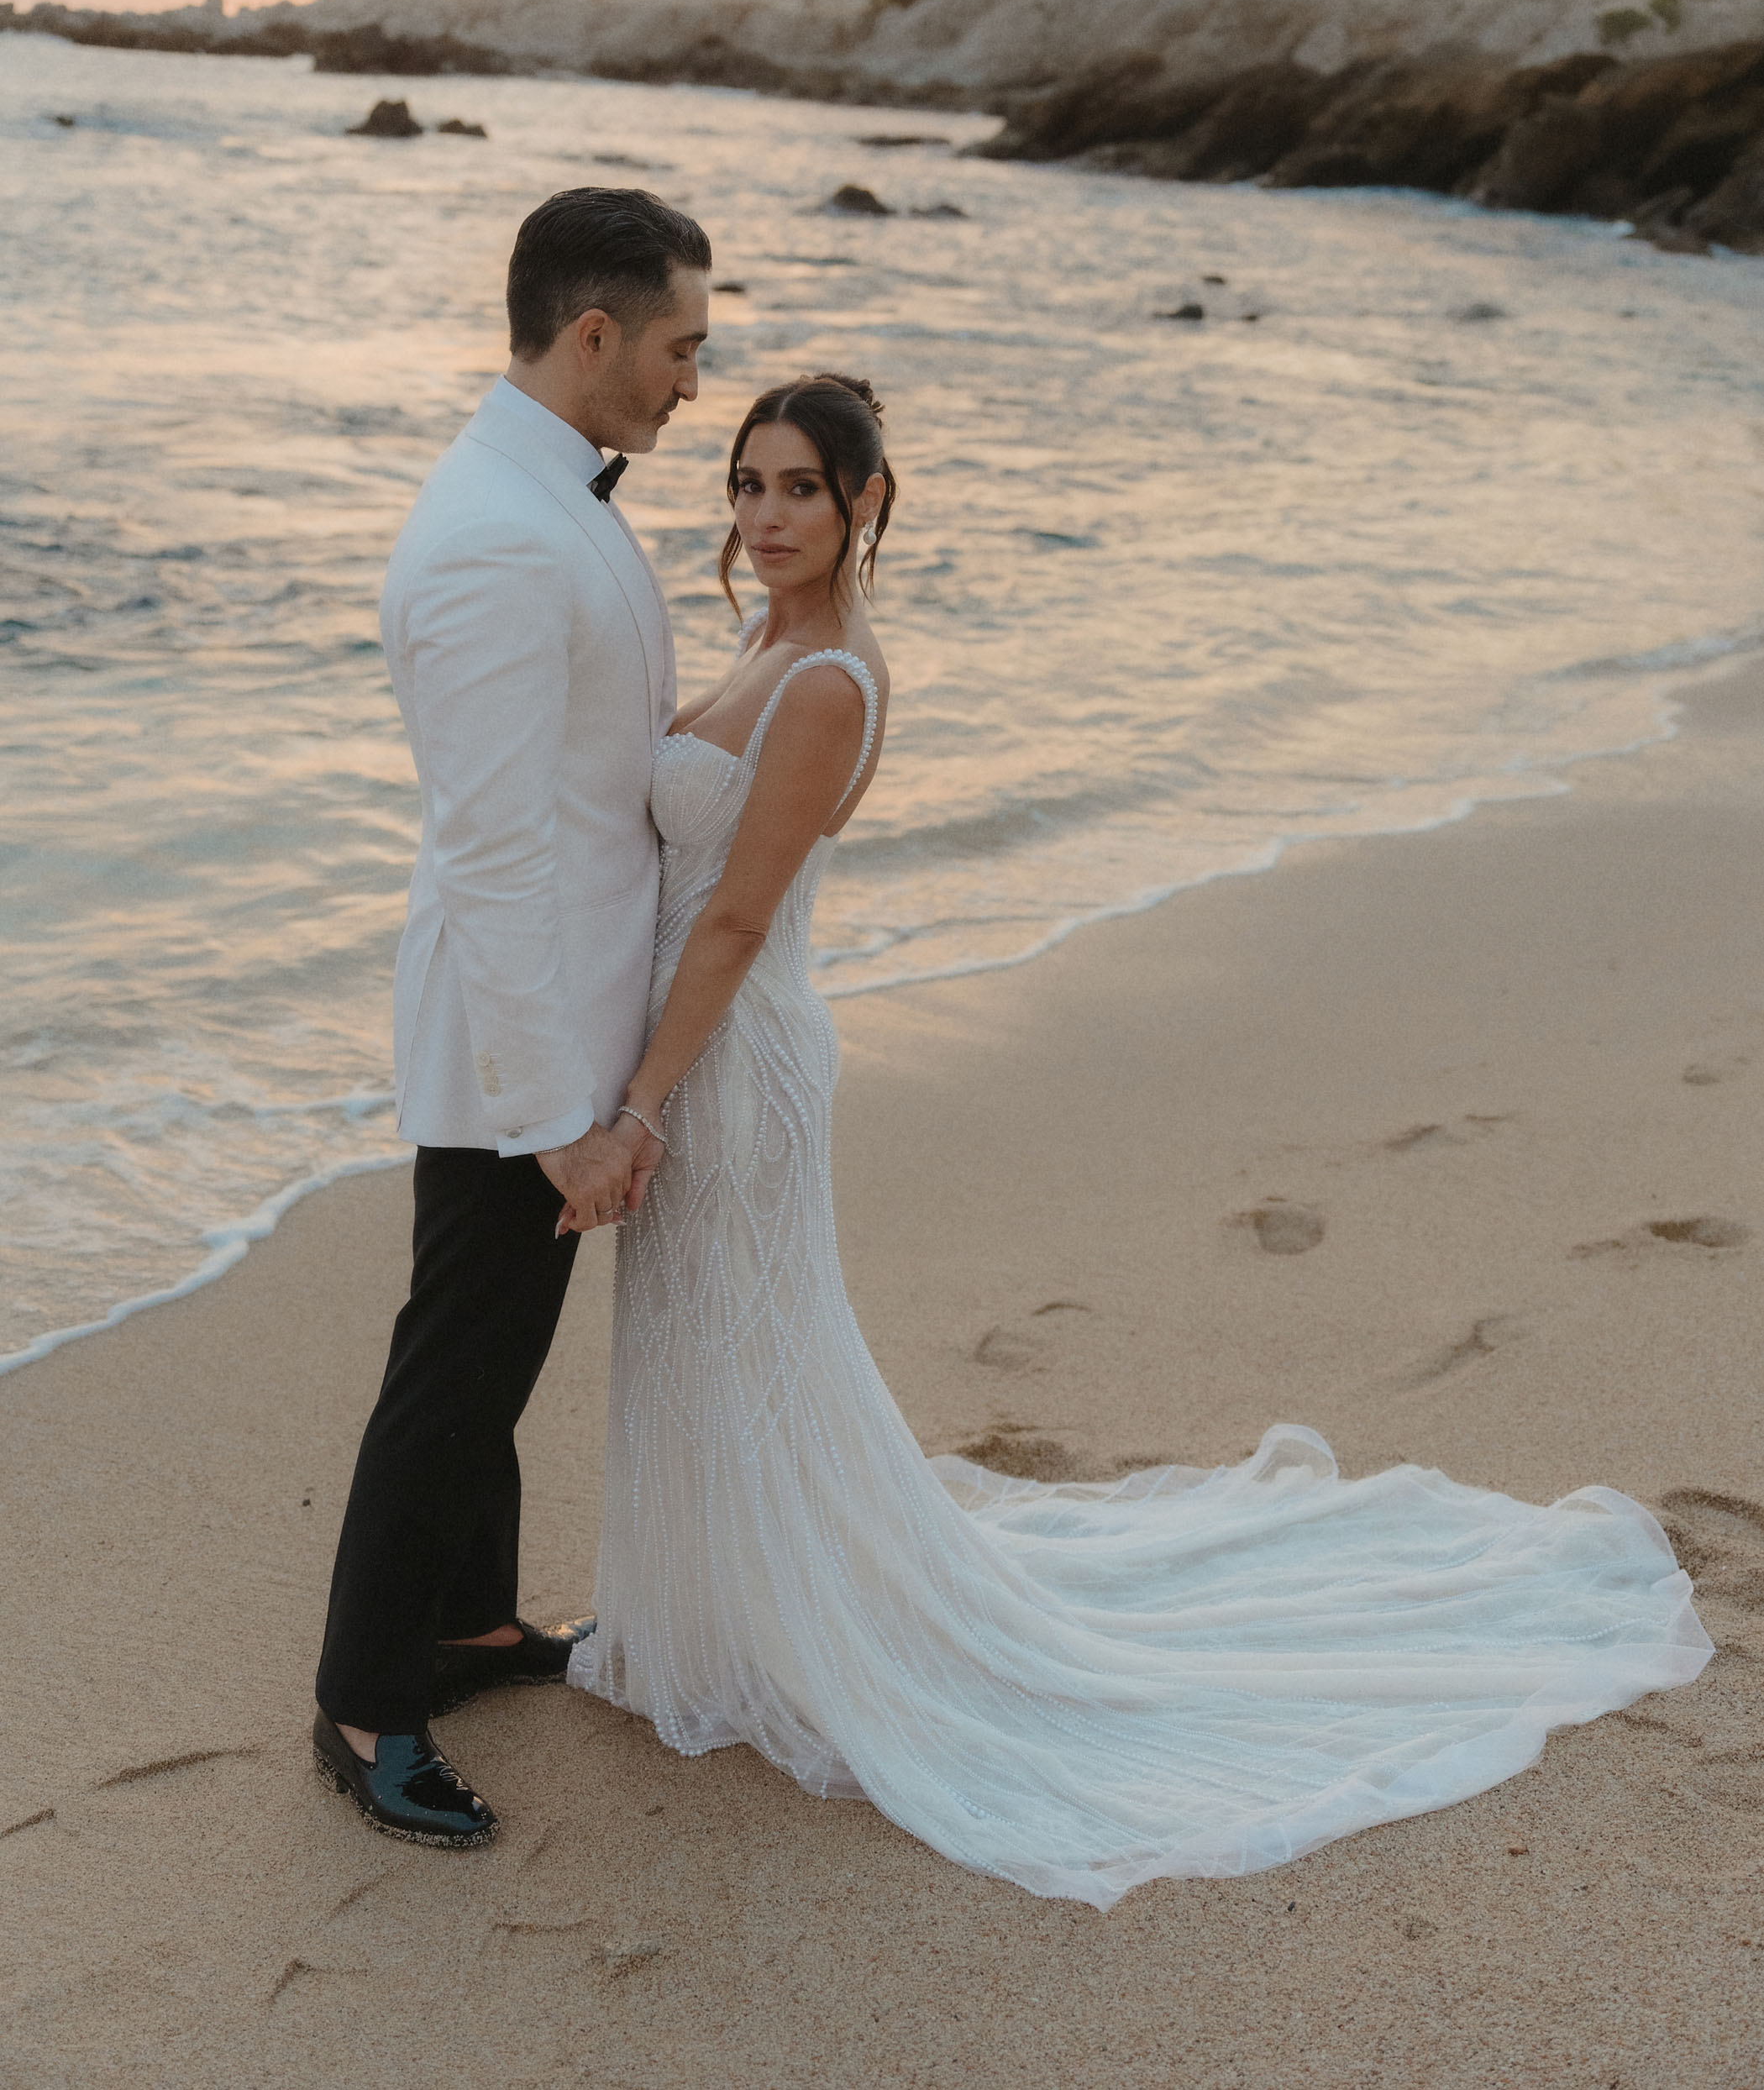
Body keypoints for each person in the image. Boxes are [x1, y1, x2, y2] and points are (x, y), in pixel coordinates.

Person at [568, 367, 1714, 1908]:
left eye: (798, 490)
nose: (763, 516)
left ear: (865, 506)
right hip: (705, 1048)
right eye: (747, 484)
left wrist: (640, 1098)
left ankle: (802, 1639)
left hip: (731, 1061)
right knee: (712, 1344)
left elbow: (736, 916)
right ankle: (729, 1622)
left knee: (747, 1343)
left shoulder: (829, 677)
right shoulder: (768, 639)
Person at [312, 186, 708, 1847]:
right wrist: (556, 1107)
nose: (698, 379)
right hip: (508, 1047)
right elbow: (486, 847)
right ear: (593, 334)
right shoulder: (489, 534)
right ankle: (364, 1699)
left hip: (550, 1027)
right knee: (457, 1374)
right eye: (682, 347)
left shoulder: (543, 496)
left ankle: (470, 1626)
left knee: (496, 1356)